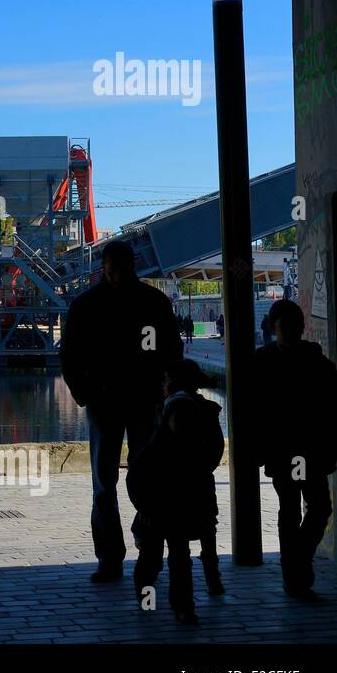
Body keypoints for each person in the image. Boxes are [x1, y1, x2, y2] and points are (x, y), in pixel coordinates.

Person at [60, 240, 183, 582]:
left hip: (113, 402)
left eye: (120, 271)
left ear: (130, 267)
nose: (116, 277)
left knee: (109, 482)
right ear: (105, 268)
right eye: (112, 272)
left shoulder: (86, 306)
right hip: (134, 401)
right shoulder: (153, 303)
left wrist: (84, 392)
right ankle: (136, 551)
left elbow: (70, 355)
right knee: (135, 480)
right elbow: (170, 350)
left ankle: (119, 556)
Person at [127, 360, 225, 625]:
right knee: (175, 555)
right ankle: (183, 606)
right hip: (184, 499)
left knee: (158, 557)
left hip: (164, 501)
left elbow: (138, 471)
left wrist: (143, 504)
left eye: (165, 382)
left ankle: (162, 602)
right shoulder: (206, 416)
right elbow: (214, 456)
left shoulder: (162, 424)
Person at [254, 299, 337, 598]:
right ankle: (298, 566)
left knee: (292, 510)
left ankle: (295, 566)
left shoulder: (261, 362)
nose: (291, 332)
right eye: (286, 327)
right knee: (316, 508)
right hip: (308, 448)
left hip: (285, 449)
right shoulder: (318, 362)